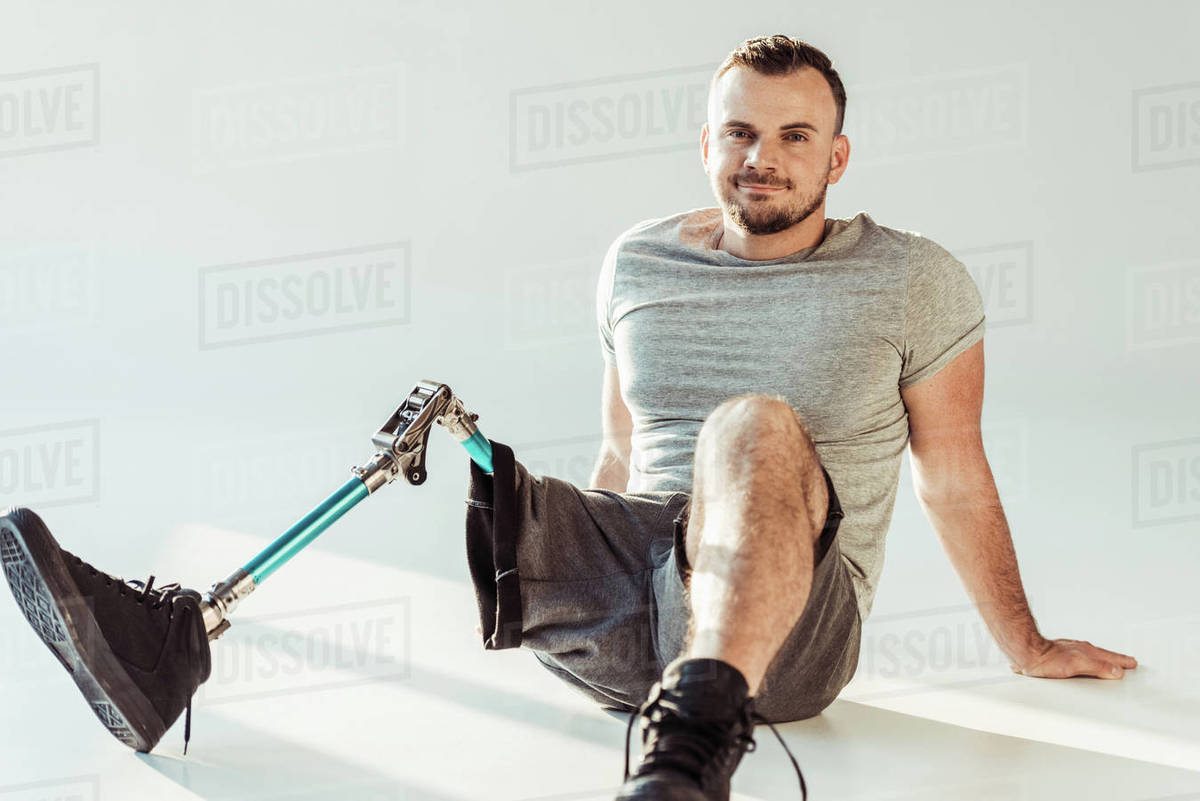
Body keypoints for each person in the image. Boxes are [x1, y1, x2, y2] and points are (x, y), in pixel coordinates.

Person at [0, 33, 1139, 801]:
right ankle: (174, 642)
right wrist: (541, 514)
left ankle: (691, 744)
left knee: (752, 427)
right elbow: (622, 452)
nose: (765, 158)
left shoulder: (914, 279)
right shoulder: (637, 261)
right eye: (741, 133)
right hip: (631, 591)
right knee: (445, 423)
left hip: (795, 631)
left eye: (796, 137)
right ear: (707, 145)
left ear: (836, 155)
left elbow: (953, 472)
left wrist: (1024, 645)